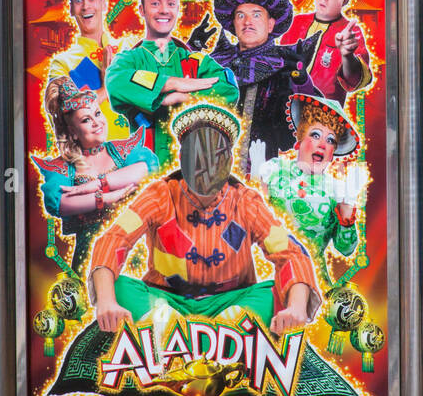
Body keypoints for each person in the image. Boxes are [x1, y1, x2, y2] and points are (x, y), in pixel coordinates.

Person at [88, 103, 322, 336]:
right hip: (166, 301)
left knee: (274, 294)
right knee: (116, 287)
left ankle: (183, 336)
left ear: (229, 162)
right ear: (182, 158)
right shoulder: (159, 194)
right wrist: (107, 301)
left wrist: (296, 308)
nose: (206, 168)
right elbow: (114, 239)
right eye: (196, 156)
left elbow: (291, 253)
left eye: (215, 157)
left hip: (232, 304)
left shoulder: (246, 201)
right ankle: (205, 334)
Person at [195, 0, 332, 163]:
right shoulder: (215, 64)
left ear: (271, 24)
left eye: (256, 14)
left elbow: (318, 123)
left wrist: (302, 81)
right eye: (240, 15)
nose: (247, 21)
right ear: (233, 24)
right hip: (209, 173)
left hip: (263, 179)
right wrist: (191, 49)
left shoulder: (286, 66)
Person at [105, 0, 240, 167]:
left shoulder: (195, 60)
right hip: (143, 173)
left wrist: (180, 97)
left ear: (177, 9)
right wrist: (175, 83)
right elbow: (115, 82)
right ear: (141, 10)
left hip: (193, 170)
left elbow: (228, 88)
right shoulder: (128, 59)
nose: (164, 10)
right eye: (155, 3)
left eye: (170, 3)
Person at [32, 77, 158, 270]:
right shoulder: (65, 167)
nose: (97, 123)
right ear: (73, 131)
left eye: (98, 114)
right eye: (86, 120)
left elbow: (146, 168)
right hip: (92, 257)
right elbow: (59, 203)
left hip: (133, 253)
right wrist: (107, 197)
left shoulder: (121, 150)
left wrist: (97, 184)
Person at [249, 93, 367, 280]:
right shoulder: (274, 169)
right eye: (315, 135)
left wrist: (348, 205)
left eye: (330, 140)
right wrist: (256, 181)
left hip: (313, 281)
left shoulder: (336, 189)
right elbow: (252, 224)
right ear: (301, 139)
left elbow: (346, 249)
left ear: (332, 152)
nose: (322, 145)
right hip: (269, 278)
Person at [49, 0, 130, 140]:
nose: (86, 6)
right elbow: (67, 114)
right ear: (71, 9)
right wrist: (107, 87)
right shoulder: (62, 64)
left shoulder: (127, 47)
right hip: (89, 160)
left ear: (104, 3)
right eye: (79, 0)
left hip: (134, 153)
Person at [277, 0, 371, 103]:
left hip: (324, 115)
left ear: (345, 0)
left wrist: (347, 56)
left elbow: (356, 81)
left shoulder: (351, 32)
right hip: (286, 107)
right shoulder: (296, 22)